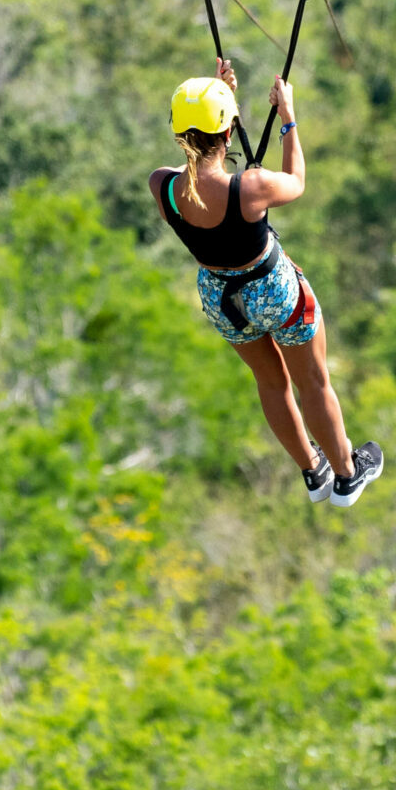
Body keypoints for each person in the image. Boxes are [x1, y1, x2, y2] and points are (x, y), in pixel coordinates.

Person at [149, 58, 382, 507]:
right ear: (228, 131)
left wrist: (221, 99)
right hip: (273, 291)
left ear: (179, 133)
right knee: (313, 382)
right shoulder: (251, 188)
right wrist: (287, 118)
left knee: (271, 383)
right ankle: (346, 474)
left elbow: (194, 168)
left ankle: (313, 471)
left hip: (221, 298)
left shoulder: (162, 187)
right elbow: (296, 181)